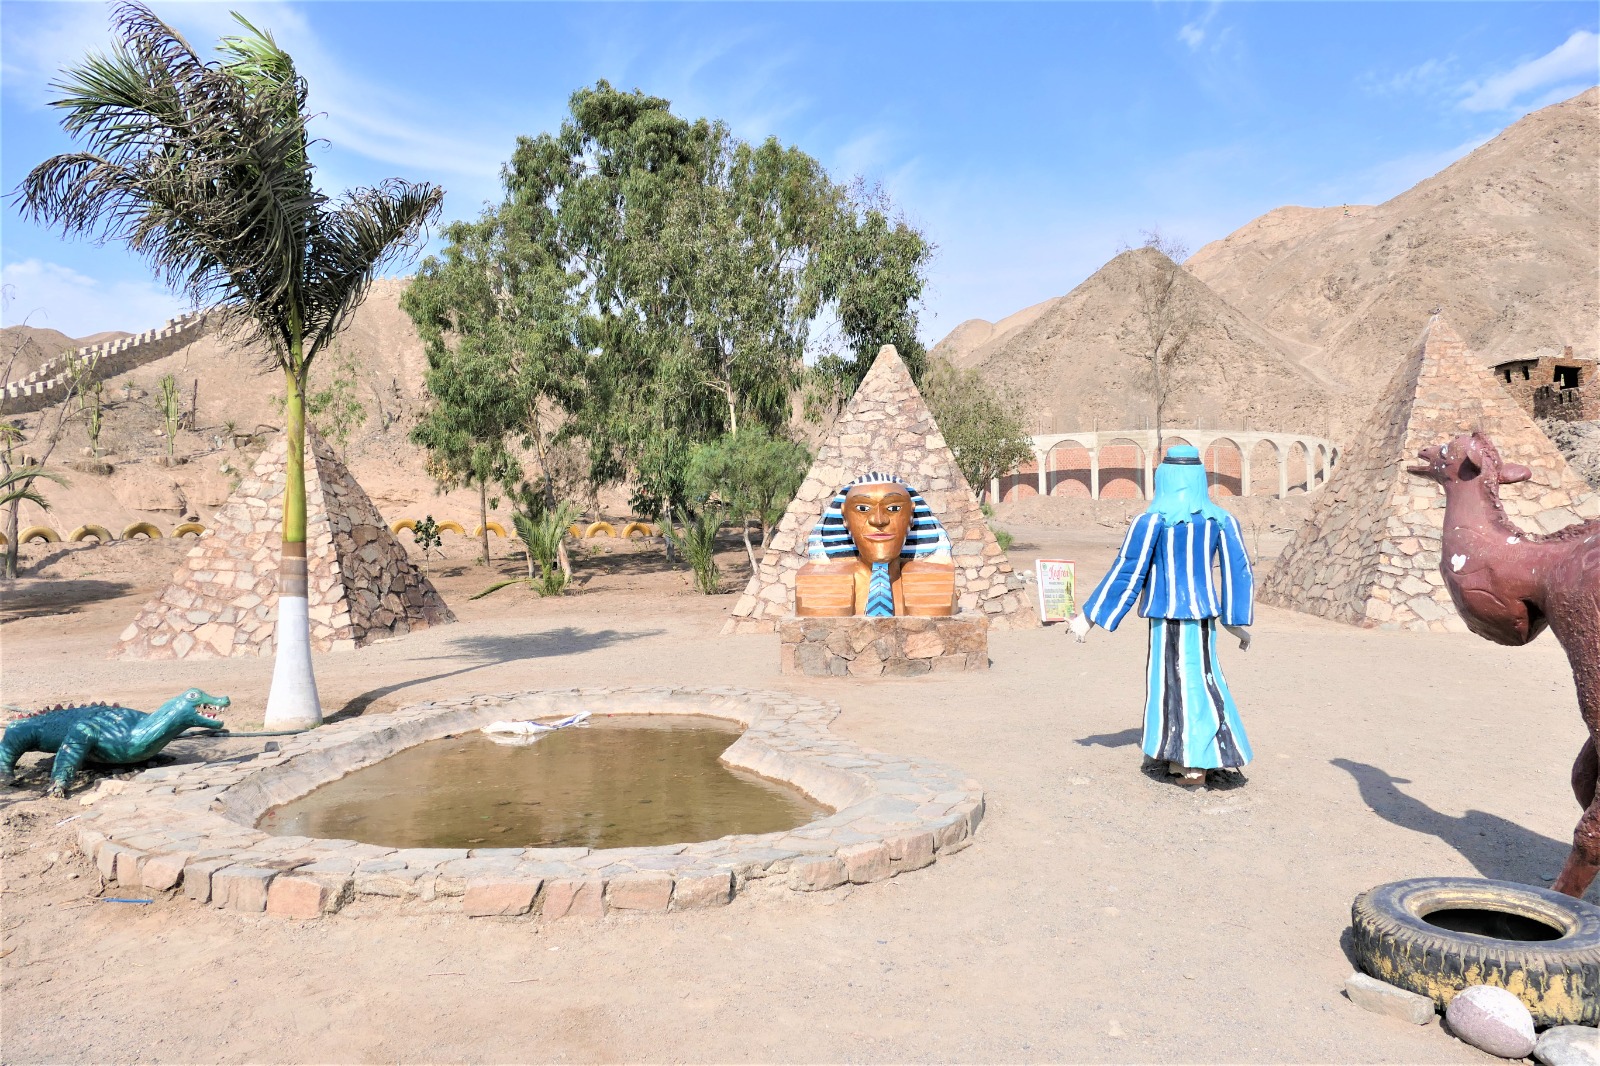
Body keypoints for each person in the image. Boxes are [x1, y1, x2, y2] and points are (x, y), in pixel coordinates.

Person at [1068, 446, 1254, 785]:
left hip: (1164, 617)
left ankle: (1192, 762)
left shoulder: (1151, 520)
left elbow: (1127, 571)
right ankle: (1187, 755)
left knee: (1174, 684)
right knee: (1201, 679)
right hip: (1204, 620)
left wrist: (1089, 617)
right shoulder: (1221, 520)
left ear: (1163, 478)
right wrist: (1236, 622)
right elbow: (1239, 572)